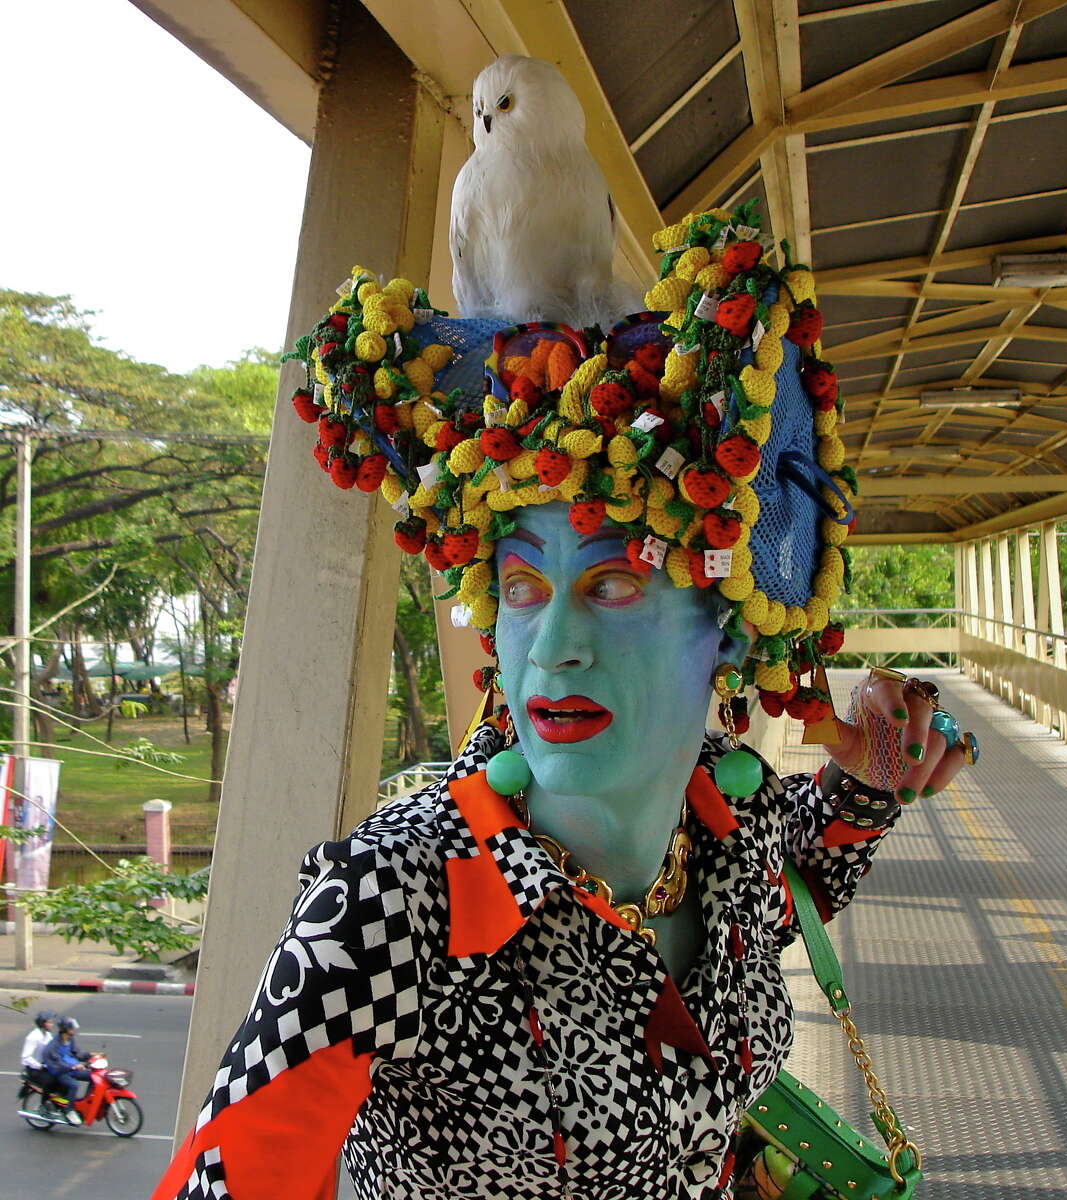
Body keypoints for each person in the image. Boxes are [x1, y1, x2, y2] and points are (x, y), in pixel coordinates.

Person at [153, 205, 979, 1199]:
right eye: (522, 590)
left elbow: (785, 890)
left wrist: (865, 790)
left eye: (615, 586)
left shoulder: (723, 812)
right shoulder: (396, 894)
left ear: (723, 629)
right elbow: (230, 1174)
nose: (553, 647)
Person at [40, 1016, 90, 1124]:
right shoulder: (54, 1045)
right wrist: (73, 1067)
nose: (74, 1030)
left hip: (72, 1069)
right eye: (71, 1028)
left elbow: (77, 1053)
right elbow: (58, 1064)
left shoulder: (70, 1039)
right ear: (65, 1029)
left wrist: (91, 1056)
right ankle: (69, 1111)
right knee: (74, 1085)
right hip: (61, 1072)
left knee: (92, 1076)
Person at [19, 1010, 55, 1088]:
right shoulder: (33, 1037)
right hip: (34, 1070)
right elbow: (26, 1057)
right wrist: (39, 1066)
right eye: (49, 1022)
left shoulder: (48, 1035)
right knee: (52, 1081)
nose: (52, 1024)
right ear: (42, 1024)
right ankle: (44, 1100)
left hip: (46, 1066)